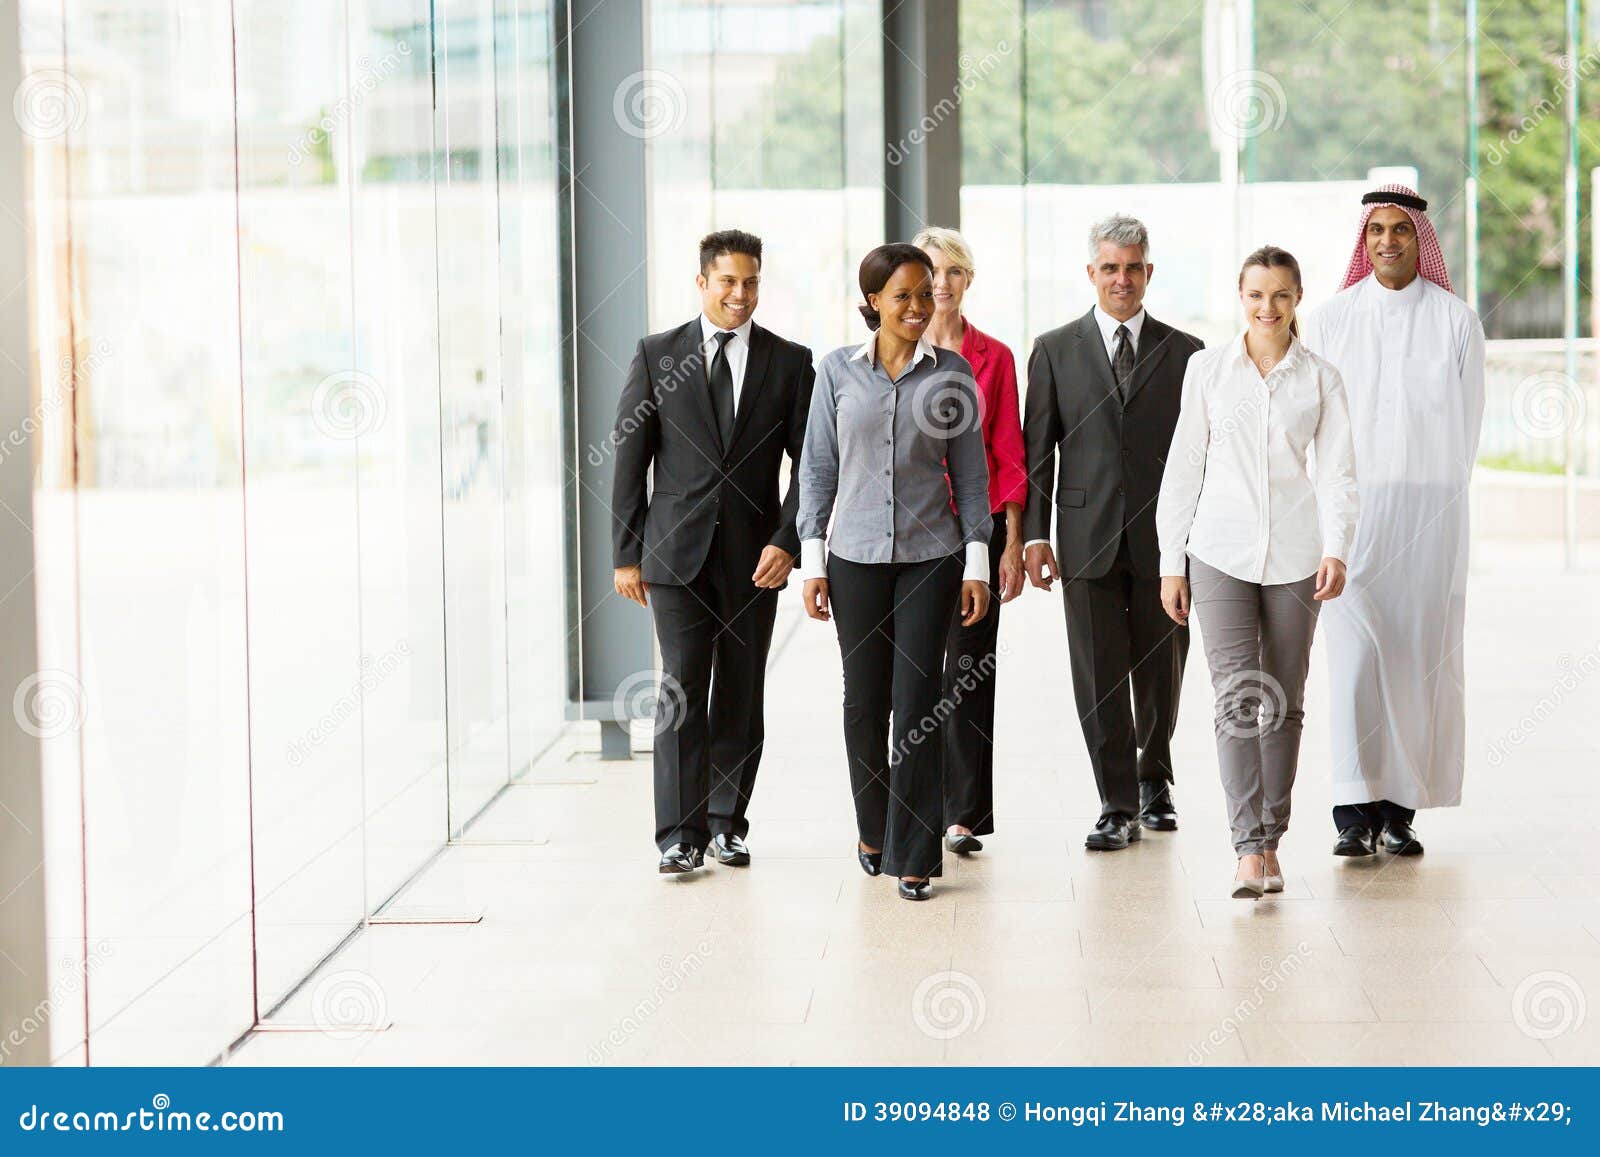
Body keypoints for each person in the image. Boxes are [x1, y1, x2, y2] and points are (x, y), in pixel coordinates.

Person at [611, 229, 815, 875]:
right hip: (674, 556)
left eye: (750, 281)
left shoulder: (790, 362)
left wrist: (788, 540)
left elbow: (811, 465)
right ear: (702, 283)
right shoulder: (656, 354)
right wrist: (625, 552)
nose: (740, 293)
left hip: (755, 559)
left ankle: (728, 824)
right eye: (727, 281)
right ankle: (678, 833)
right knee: (680, 687)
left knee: (741, 692)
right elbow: (629, 459)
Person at [1157, 245, 1359, 898]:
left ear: (1298, 297)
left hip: (1298, 556)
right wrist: (1171, 561)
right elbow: (1184, 467)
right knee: (1238, 698)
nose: (1266, 308)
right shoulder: (1207, 370)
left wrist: (1337, 547)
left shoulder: (1321, 377)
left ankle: (1273, 836)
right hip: (1219, 550)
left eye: (1279, 295)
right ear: (1238, 297)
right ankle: (1249, 846)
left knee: (1286, 701)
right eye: (1254, 295)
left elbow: (1338, 473)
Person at [797, 243, 992, 901]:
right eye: (903, 294)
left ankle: (914, 852)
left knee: (918, 701)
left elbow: (970, 475)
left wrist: (978, 563)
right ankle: (872, 827)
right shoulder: (835, 373)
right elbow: (817, 469)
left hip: (931, 558)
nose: (917, 306)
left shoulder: (953, 374)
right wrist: (813, 560)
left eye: (925, 292)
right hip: (852, 557)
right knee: (864, 702)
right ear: (874, 300)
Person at [1299, 184, 1487, 859]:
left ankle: (1400, 811)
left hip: (1430, 516)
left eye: (1399, 231)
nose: (1386, 241)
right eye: (1375, 230)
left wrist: (1435, 502)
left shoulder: (1456, 320)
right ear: (1363, 238)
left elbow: (1467, 431)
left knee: (1415, 660)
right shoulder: (1328, 319)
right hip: (1350, 516)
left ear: (1419, 239)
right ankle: (1352, 810)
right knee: (1352, 662)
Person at [1023, 214, 1204, 851]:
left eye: (1132, 268)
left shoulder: (1187, 353)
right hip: (1084, 534)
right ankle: (1116, 801)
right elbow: (1037, 449)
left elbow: (1201, 454)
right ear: (1091, 273)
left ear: (1148, 272)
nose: (1121, 279)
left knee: (1162, 669)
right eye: (1110, 268)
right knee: (1097, 673)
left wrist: (1194, 541)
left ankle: (1156, 780)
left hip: (1166, 544)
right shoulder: (1053, 348)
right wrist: (1034, 536)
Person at [914, 226, 1027, 855]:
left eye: (953, 271)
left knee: (965, 674)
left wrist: (1011, 542)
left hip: (974, 537)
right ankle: (917, 805)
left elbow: (1009, 455)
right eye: (931, 271)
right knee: (915, 676)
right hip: (910, 536)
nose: (941, 283)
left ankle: (962, 814)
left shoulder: (996, 358)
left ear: (968, 280)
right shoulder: (895, 352)